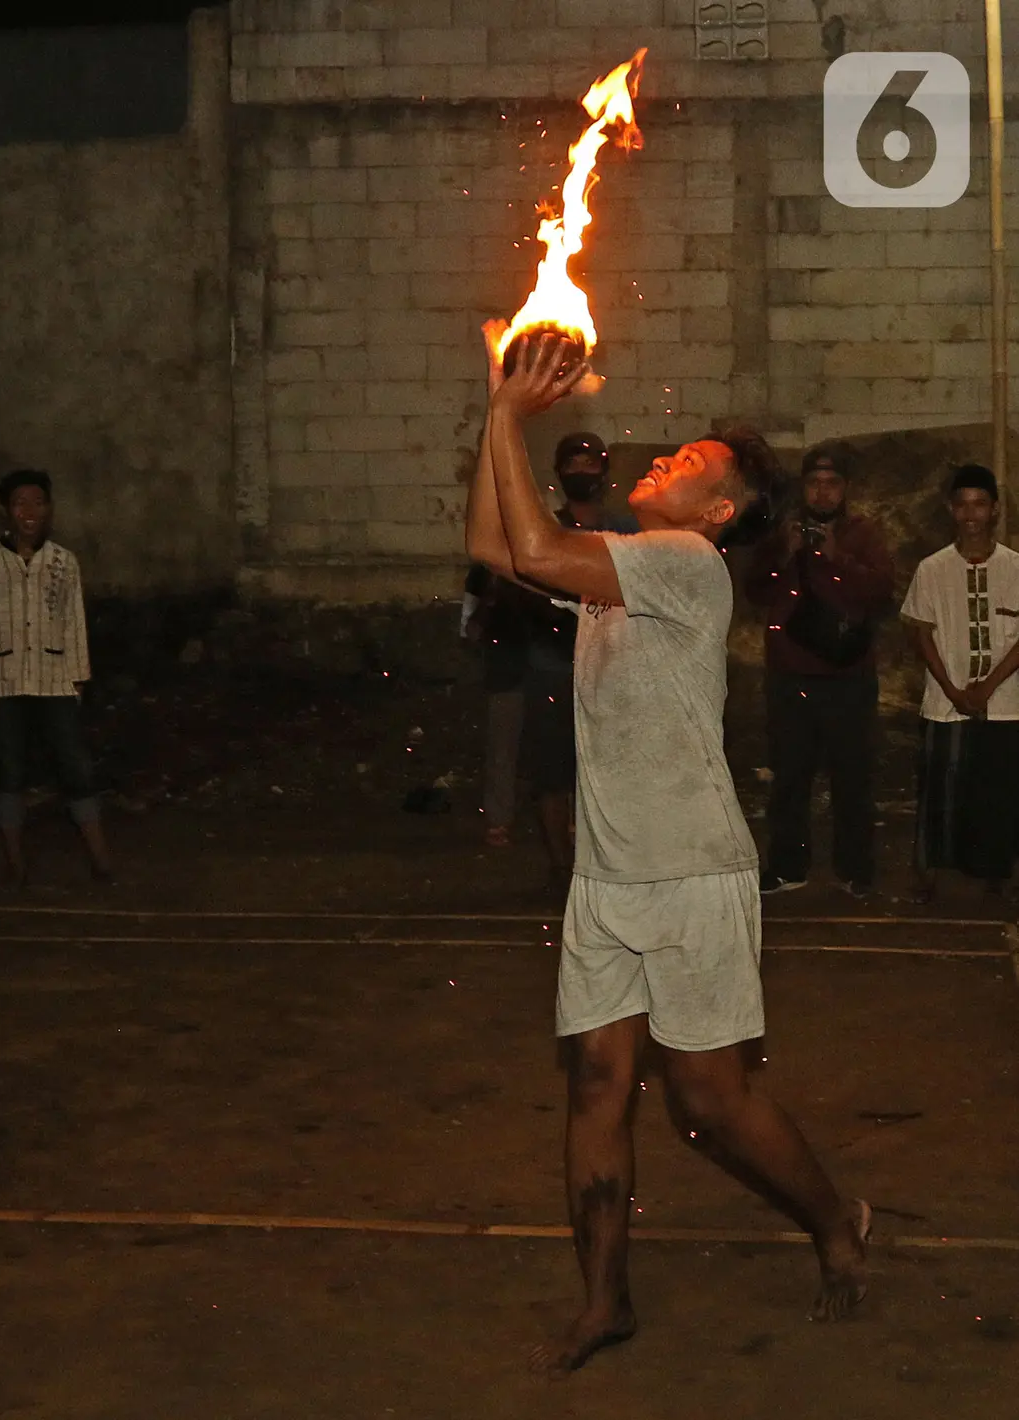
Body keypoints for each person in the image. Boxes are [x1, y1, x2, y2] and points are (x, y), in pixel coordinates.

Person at [466, 323, 869, 1375]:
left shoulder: (685, 566)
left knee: (709, 1101)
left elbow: (539, 549)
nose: (666, 457)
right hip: (607, 875)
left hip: (691, 871)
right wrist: (493, 413)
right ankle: (605, 1300)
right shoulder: (618, 567)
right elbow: (497, 550)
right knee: (596, 1083)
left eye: (693, 463)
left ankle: (835, 1217)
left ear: (718, 511)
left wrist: (511, 418)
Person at [744, 441, 894, 899]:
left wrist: (836, 559)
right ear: (804, 487)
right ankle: (790, 865)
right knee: (790, 777)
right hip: (791, 676)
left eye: (831, 484)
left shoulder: (863, 534)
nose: (823, 493)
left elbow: (880, 593)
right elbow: (755, 590)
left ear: (845, 488)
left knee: (853, 777)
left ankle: (854, 868)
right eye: (814, 483)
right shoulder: (783, 533)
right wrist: (784, 556)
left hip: (847, 677)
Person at [0, 469, 111, 885]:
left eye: (38, 502)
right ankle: (16, 862)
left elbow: (74, 621)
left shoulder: (62, 562)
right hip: (1, 681)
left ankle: (100, 858)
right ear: (7, 509)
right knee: (9, 770)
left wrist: (78, 677)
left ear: (49, 508)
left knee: (76, 767)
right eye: (20, 502)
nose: (30, 511)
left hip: (54, 679)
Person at [520, 433, 637, 894]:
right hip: (553, 667)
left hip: (613, 670)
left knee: (609, 772)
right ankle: (560, 867)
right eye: (574, 464)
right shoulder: (548, 533)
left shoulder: (624, 531)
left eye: (591, 464)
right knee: (552, 771)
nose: (582, 473)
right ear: (559, 472)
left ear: (605, 474)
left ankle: (606, 863)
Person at [900, 464, 1019, 902]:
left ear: (994, 510)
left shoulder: (1014, 567)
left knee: (999, 787)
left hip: (1007, 702)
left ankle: (995, 872)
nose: (972, 514)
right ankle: (929, 870)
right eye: (963, 504)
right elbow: (920, 630)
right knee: (941, 785)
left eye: (980, 504)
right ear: (952, 510)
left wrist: (987, 688)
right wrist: (952, 689)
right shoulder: (932, 569)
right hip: (944, 701)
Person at [462, 562, 527, 848]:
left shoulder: (535, 560)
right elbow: (471, 630)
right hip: (506, 673)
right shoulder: (484, 571)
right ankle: (499, 818)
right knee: (502, 749)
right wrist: (490, 599)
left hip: (547, 667)